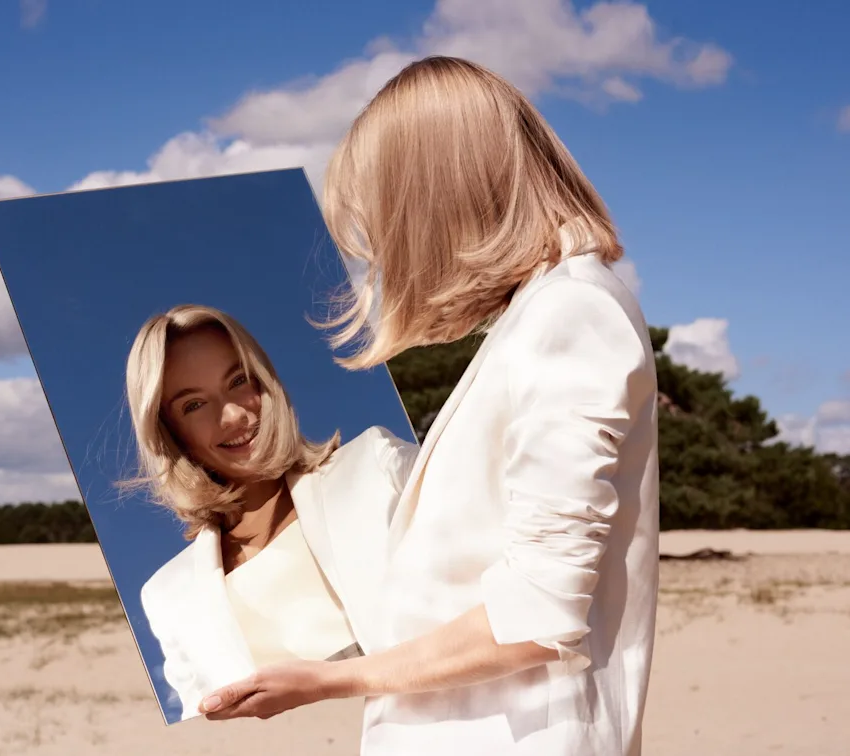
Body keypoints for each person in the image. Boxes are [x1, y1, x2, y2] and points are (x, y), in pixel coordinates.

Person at [197, 56, 660, 756]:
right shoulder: (545, 312)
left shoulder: (570, 313)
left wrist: (328, 681)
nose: (384, 251)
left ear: (437, 200)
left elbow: (539, 611)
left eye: (387, 219)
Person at [123, 304, 418, 720]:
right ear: (171, 434)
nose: (233, 415)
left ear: (264, 381)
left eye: (238, 381)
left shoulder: (376, 465)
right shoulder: (168, 595)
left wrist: (333, 681)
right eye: (194, 405)